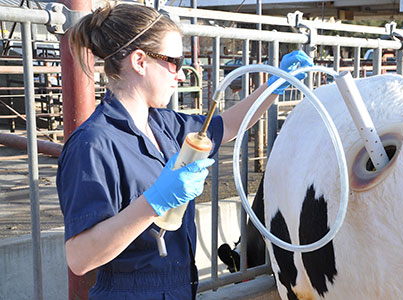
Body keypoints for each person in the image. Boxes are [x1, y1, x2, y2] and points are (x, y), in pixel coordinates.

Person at [56, 3, 313, 299]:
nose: (180, 75)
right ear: (139, 61)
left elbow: (227, 126)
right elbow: (80, 257)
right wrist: (153, 202)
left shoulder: (164, 124)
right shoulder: (93, 144)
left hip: (177, 287)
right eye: (173, 62)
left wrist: (272, 86)